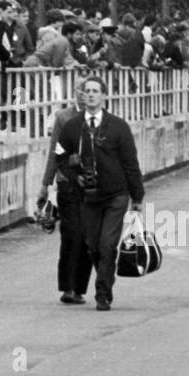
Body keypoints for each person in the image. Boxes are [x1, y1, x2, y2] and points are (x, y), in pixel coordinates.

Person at [56, 75, 145, 312]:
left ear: (104, 95)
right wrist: (74, 175)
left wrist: (137, 198)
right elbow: (60, 156)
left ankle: (102, 293)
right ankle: (105, 279)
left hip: (116, 195)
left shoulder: (118, 126)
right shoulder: (72, 127)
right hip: (88, 197)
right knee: (93, 245)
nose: (92, 94)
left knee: (107, 244)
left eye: (96, 90)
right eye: (88, 91)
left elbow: (130, 163)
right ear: (82, 95)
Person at [39, 87, 89, 304]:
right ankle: (67, 288)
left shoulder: (100, 118)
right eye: (79, 89)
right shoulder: (63, 117)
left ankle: (79, 289)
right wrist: (45, 183)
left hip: (90, 186)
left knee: (88, 237)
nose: (82, 93)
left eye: (87, 89)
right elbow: (54, 151)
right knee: (71, 235)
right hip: (67, 183)